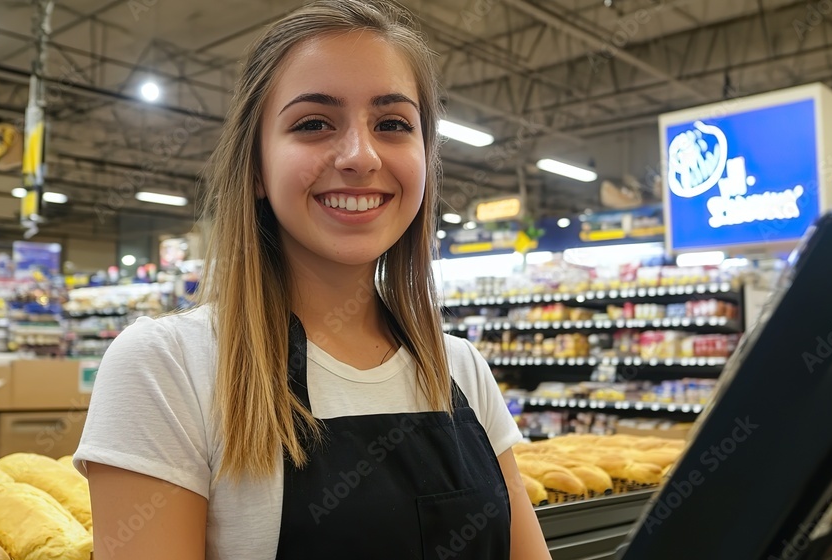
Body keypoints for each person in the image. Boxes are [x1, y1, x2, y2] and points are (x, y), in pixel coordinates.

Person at [73, 1, 551, 558]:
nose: (360, 155)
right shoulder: (169, 368)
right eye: (314, 124)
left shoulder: (461, 369)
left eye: (393, 124)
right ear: (255, 167)